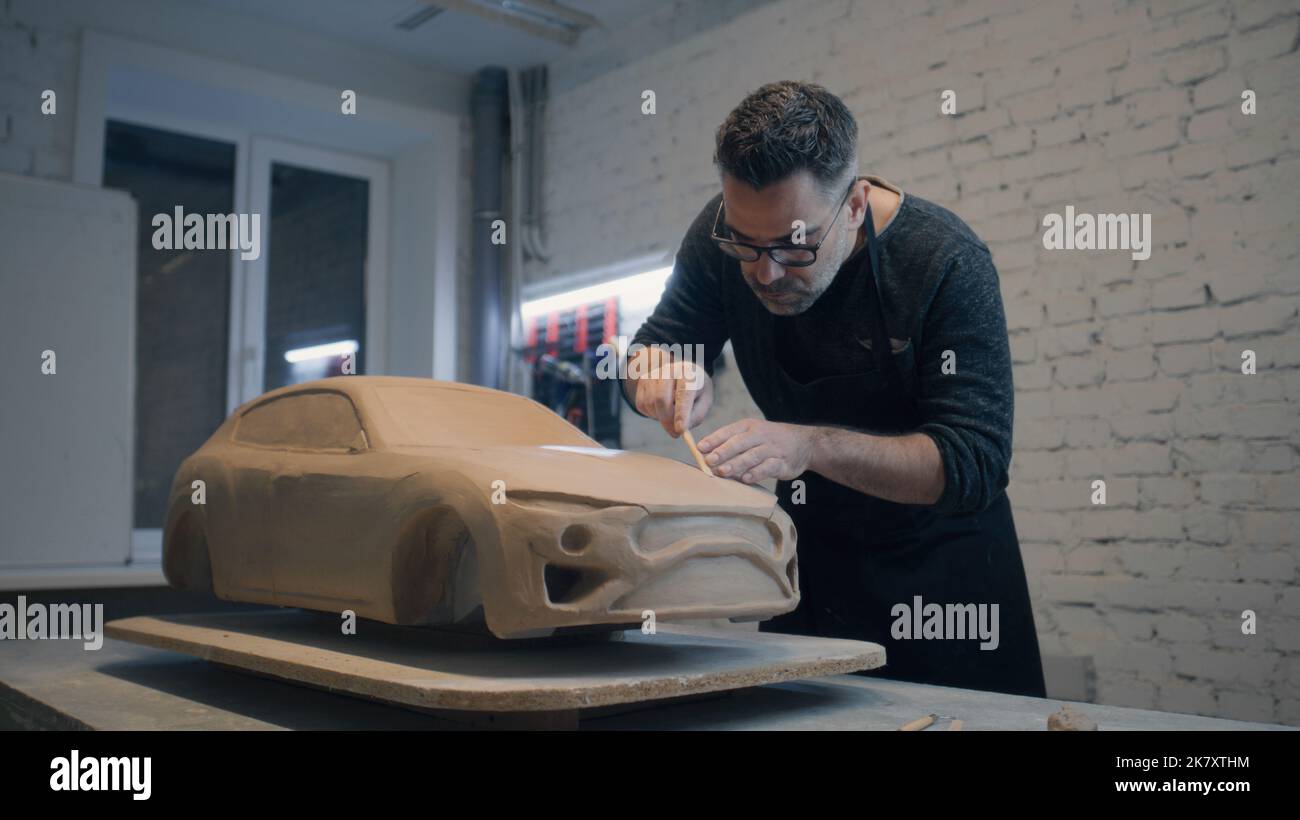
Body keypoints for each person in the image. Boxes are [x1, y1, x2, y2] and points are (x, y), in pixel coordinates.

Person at [622, 81, 1045, 697]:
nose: (763, 273)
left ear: (853, 206)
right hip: (811, 568)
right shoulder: (724, 235)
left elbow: (973, 461)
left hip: (943, 586)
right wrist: (663, 373)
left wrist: (809, 447)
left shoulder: (944, 261)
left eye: (794, 247)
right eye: (744, 244)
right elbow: (649, 349)